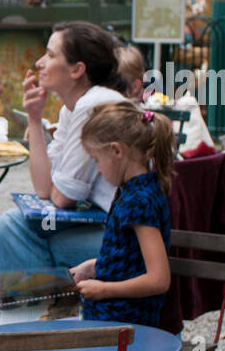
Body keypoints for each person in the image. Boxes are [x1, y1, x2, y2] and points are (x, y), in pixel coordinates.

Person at [0, 21, 125, 285]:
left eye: (51, 55)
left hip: (126, 237)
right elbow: (44, 189)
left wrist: (57, 185)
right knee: (16, 224)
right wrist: (34, 117)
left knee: (17, 230)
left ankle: (28, 320)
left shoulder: (93, 105)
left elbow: (62, 198)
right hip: (103, 223)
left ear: (77, 69)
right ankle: (37, 319)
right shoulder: (72, 108)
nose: (40, 63)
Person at [70, 102, 174, 327]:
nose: (98, 169)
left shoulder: (139, 201)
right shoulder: (139, 190)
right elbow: (132, 257)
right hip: (115, 317)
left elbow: (159, 279)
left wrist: (104, 290)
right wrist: (95, 265)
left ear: (116, 151)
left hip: (122, 323)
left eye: (97, 160)